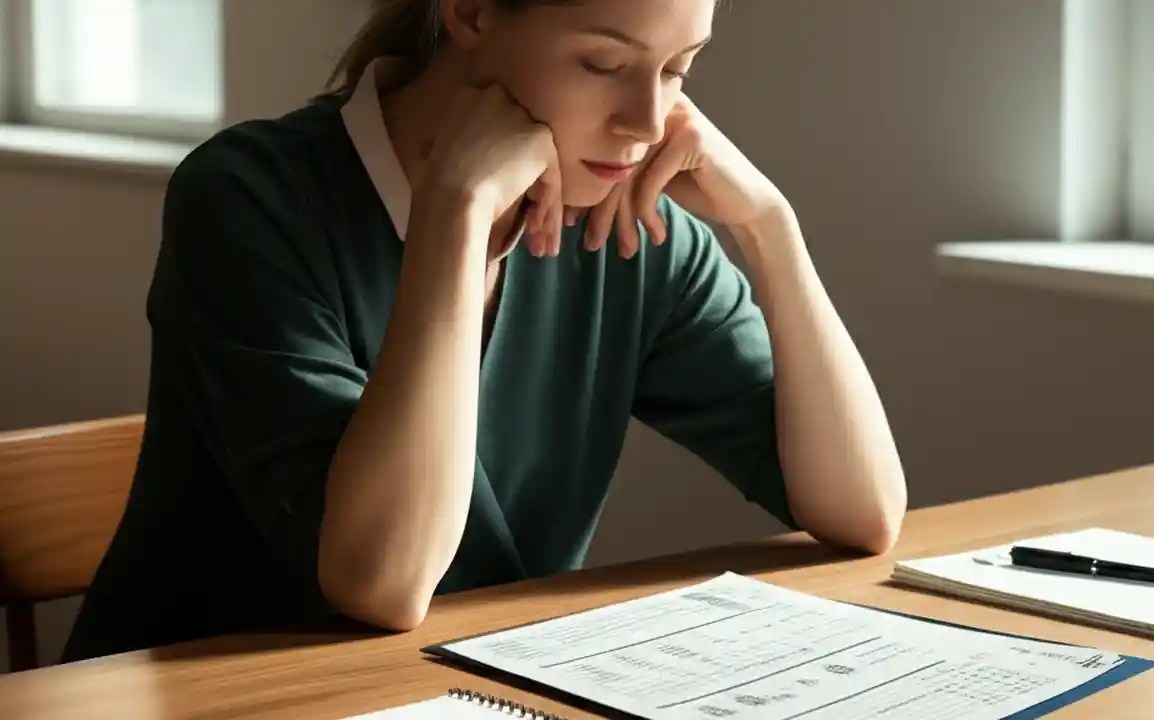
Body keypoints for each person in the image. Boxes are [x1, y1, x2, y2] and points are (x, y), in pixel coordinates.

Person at [63, 0, 907, 663]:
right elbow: (382, 585)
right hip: (220, 695)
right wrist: (457, 213)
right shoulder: (248, 199)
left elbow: (862, 510)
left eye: (680, 70)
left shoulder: (624, 222)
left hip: (461, 686)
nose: (648, 121)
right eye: (604, 63)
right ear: (468, 11)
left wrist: (769, 226)